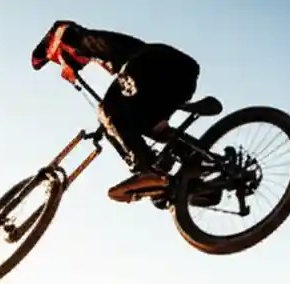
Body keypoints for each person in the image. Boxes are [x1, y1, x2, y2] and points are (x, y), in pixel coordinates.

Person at [31, 20, 201, 202]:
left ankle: (147, 171)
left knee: (108, 110)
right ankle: (201, 170)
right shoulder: (103, 50)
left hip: (154, 62)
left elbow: (43, 52)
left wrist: (63, 62)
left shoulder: (70, 35)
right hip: (178, 75)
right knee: (150, 127)